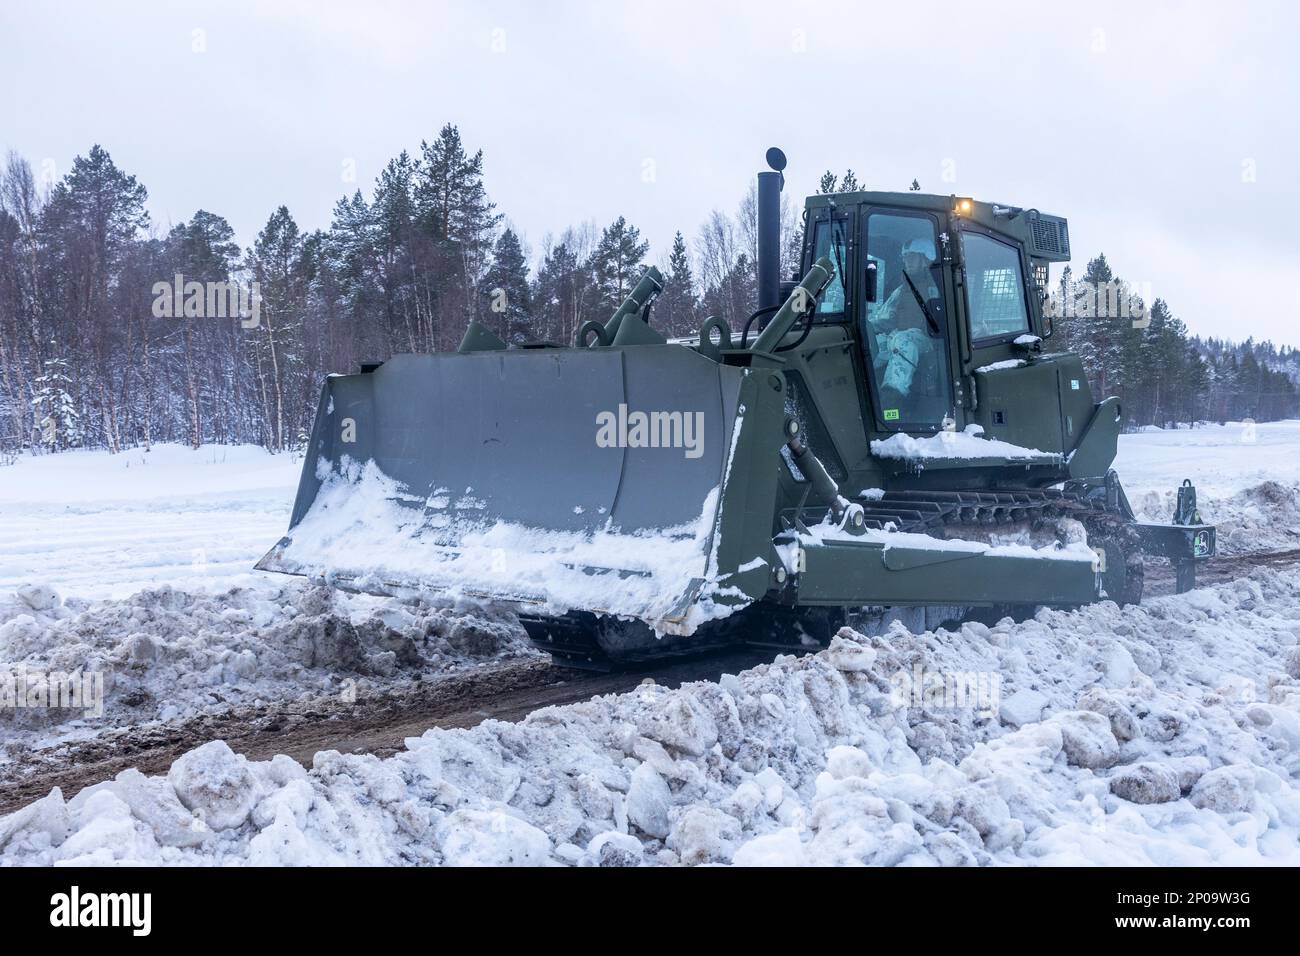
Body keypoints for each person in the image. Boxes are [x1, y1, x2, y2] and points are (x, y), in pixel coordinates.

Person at [868, 236, 940, 411]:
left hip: (929, 340)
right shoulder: (902, 290)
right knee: (870, 346)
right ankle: (867, 399)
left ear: (925, 259)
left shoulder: (937, 288)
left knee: (903, 341)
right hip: (899, 336)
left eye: (912, 256)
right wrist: (867, 328)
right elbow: (888, 317)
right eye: (905, 257)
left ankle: (891, 402)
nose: (906, 261)